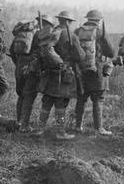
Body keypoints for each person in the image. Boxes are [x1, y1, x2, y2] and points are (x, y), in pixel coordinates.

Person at [36, 10, 84, 141]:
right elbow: (80, 56)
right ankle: (60, 132)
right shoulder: (71, 35)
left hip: (50, 72)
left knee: (47, 101)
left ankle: (40, 129)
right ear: (68, 22)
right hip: (64, 73)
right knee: (61, 103)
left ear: (60, 20)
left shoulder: (51, 32)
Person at [73, 10, 116, 136]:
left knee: (81, 98)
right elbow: (111, 52)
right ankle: (99, 128)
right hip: (98, 70)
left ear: (88, 18)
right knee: (98, 99)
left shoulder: (77, 31)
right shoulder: (101, 32)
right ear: (99, 20)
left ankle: (77, 126)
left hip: (82, 69)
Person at [13, 14, 55, 133]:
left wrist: (20, 63)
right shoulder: (42, 36)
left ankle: (19, 121)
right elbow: (45, 54)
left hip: (19, 67)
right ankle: (24, 125)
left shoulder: (25, 32)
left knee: (21, 95)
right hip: (32, 68)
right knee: (29, 96)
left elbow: (12, 50)